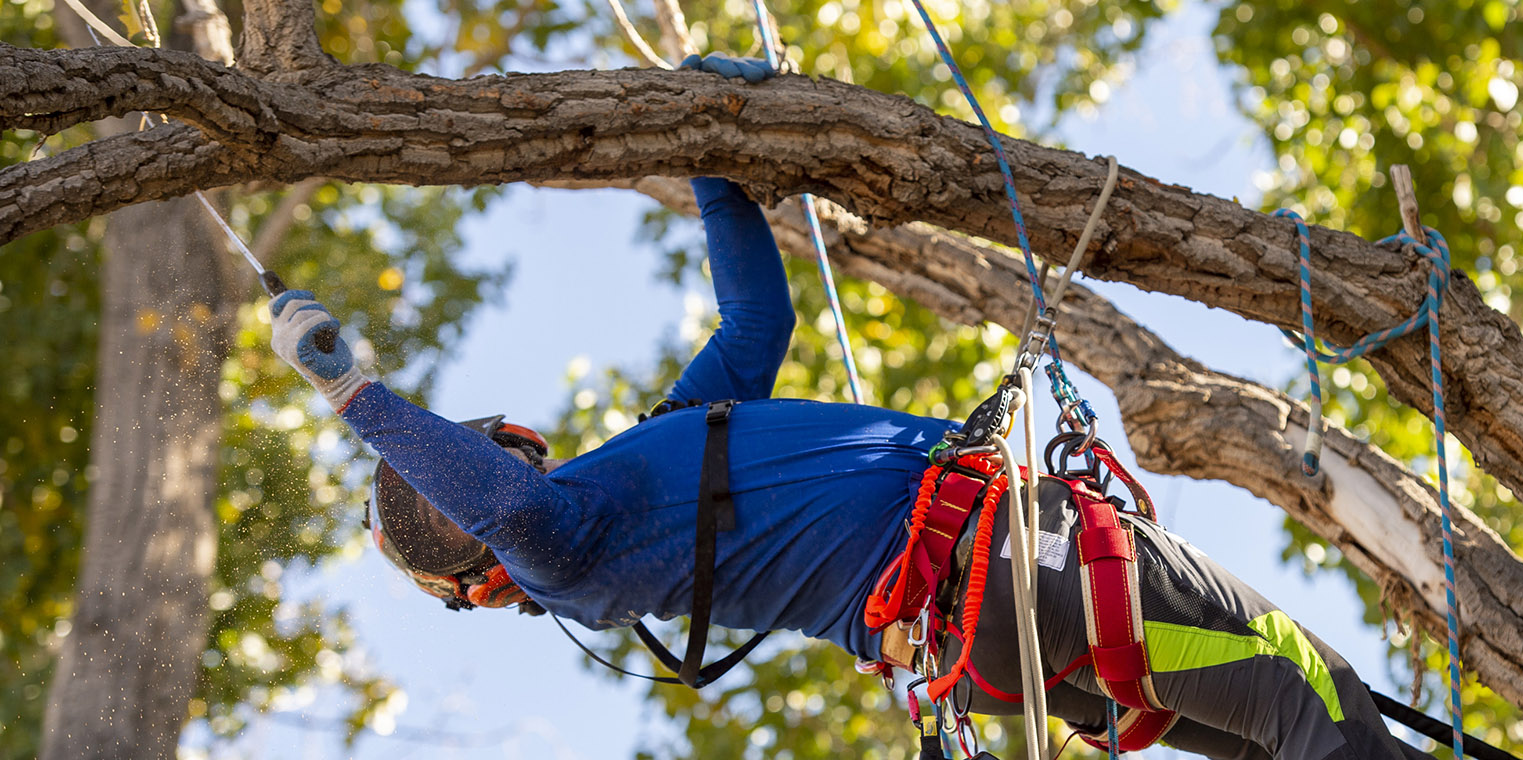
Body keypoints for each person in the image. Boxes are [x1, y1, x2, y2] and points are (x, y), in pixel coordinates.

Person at [266, 56, 1433, 760]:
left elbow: (753, 327)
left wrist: (710, 157)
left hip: (997, 620)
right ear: (499, 473)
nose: (506, 455)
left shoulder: (658, 460)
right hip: (1022, 578)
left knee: (1264, 738)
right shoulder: (568, 552)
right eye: (491, 462)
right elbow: (499, 508)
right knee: (1305, 695)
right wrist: (351, 390)